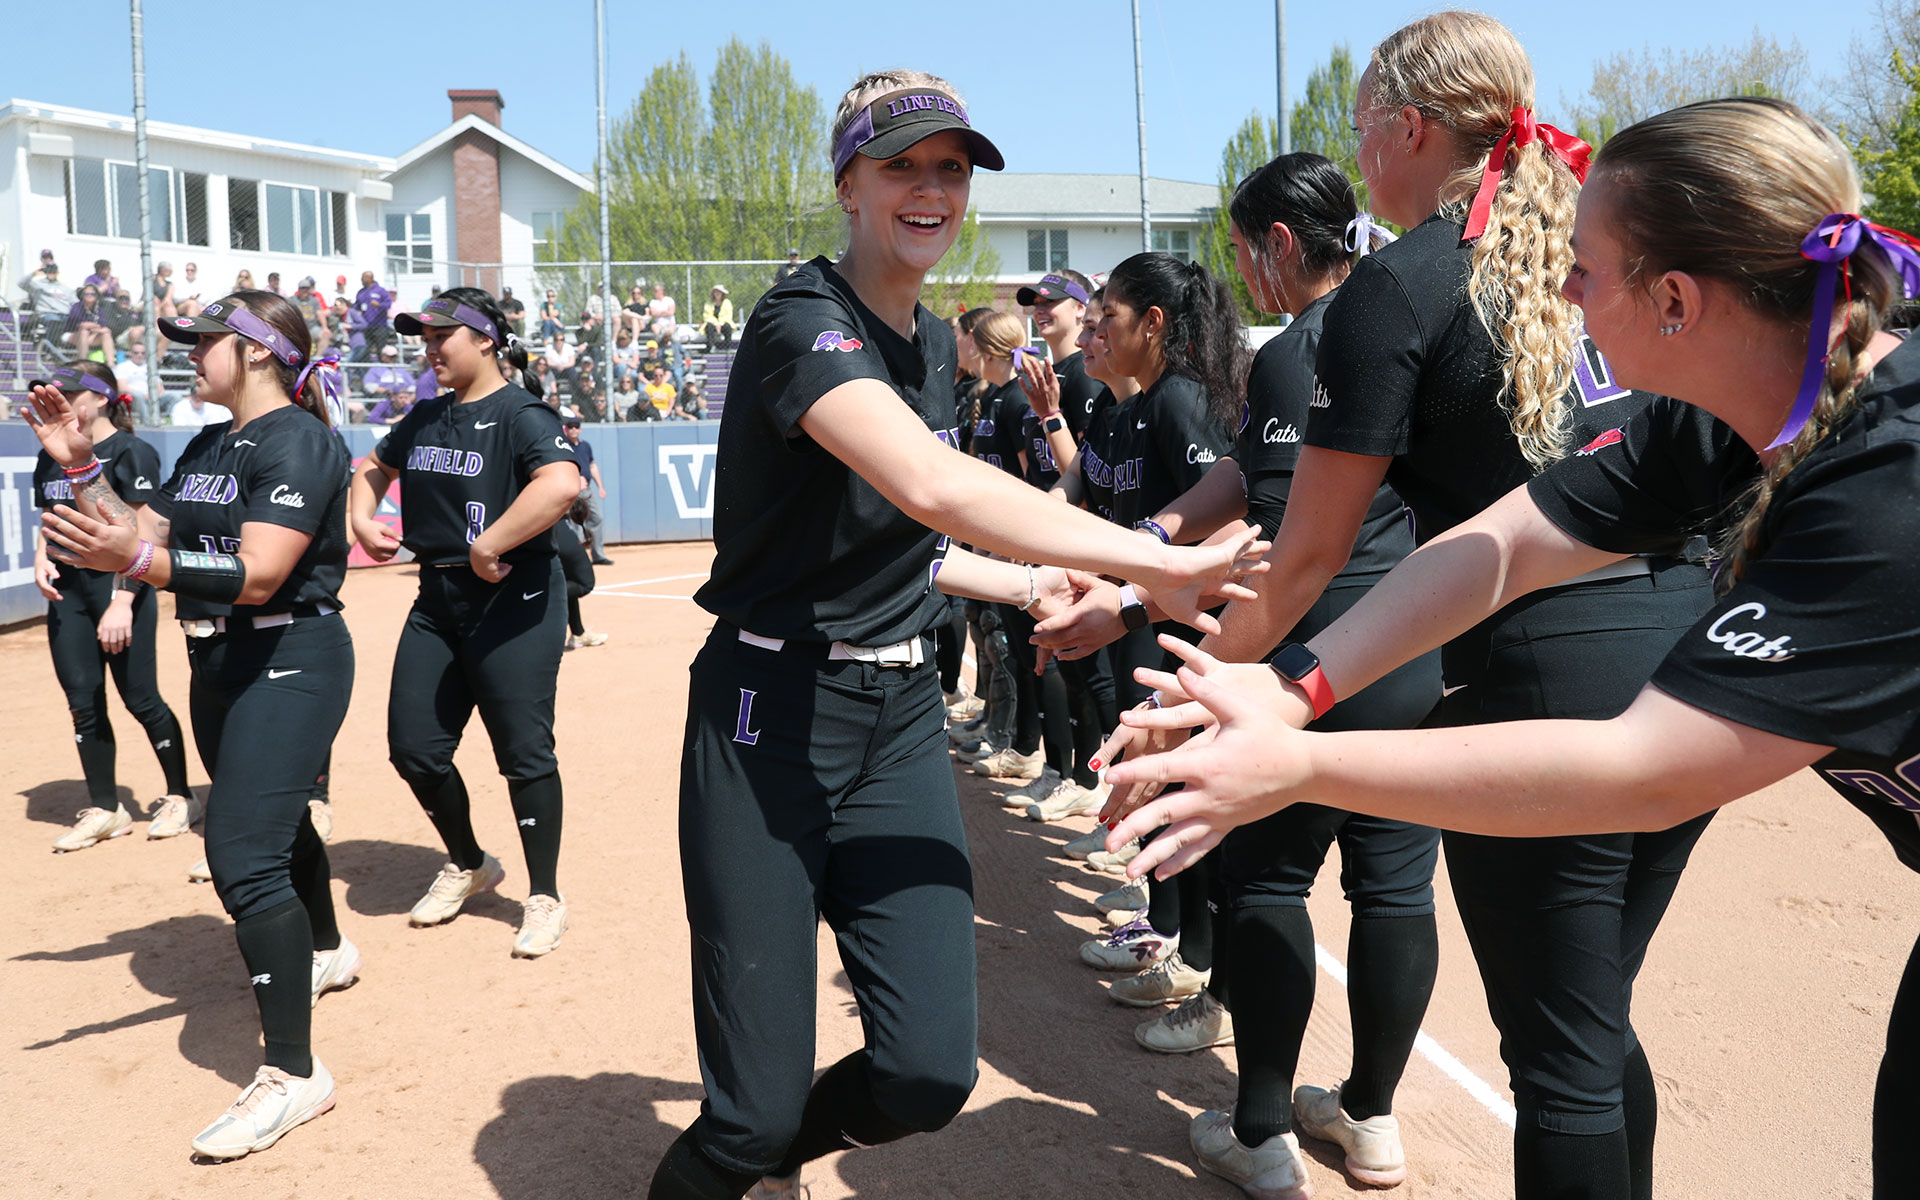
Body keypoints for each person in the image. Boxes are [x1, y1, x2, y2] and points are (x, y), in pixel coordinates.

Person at [1102, 94, 1920, 1200]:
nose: (1566, 293)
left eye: (1585, 268)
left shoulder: (1888, 489)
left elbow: (1644, 770)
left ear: (1676, 299)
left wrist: (1296, 766)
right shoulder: (1740, 406)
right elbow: (1509, 539)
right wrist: (1294, 690)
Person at [1083, 14, 1714, 1199]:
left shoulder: (1403, 283)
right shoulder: (1610, 234)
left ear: (1411, 128)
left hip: (1534, 666)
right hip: (1692, 645)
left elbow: (1308, 559)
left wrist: (1194, 693)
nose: (1360, 154)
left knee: (1561, 1052)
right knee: (1588, 1013)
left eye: (1366, 127)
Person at [650, 68, 1268, 1200]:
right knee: (746, 1110)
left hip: (893, 724)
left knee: (928, 1072)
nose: (932, 190)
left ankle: (765, 1151)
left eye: (952, 170)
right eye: (903, 167)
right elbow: (931, 485)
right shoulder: (801, 321)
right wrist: (1157, 564)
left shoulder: (933, 344)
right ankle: (740, 1152)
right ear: (848, 182)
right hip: (765, 718)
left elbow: (914, 543)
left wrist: (1038, 584)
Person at [29, 289, 357, 1158]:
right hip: (218, 662)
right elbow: (140, 528)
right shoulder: (214, 442)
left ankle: (294, 1074)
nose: (188, 352)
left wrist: (137, 559)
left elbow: (256, 574)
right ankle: (326, 946)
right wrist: (79, 466)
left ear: (255, 351)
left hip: (289, 656)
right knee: (274, 829)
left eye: (203, 340)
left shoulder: (300, 438)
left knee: (241, 854)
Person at [347, 288, 581, 959]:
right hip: (437, 599)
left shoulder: (519, 412)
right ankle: (471, 861)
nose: (429, 348)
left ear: (483, 338)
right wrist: (364, 519)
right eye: (422, 337)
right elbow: (372, 468)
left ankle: (544, 895)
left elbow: (562, 484)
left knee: (523, 753)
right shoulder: (425, 417)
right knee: (414, 749)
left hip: (515, 599)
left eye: (439, 335)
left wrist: (491, 542)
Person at [29, 361, 198, 852]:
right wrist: (42, 556)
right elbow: (50, 514)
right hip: (69, 592)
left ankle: (181, 796)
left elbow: (144, 534)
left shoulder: (130, 451)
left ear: (100, 398)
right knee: (82, 701)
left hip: (119, 591)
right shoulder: (52, 449)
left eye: (68, 392)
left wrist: (122, 602)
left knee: (141, 698)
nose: (55, 399)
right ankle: (106, 808)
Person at [561, 408, 613, 564]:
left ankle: (598, 555)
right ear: (566, 429)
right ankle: (577, 559)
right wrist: (576, 480)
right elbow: (561, 467)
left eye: (576, 427)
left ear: (580, 429)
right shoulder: (563, 445)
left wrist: (600, 487)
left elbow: (592, 466)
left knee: (597, 518)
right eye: (571, 427)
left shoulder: (585, 446)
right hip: (572, 490)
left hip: (587, 490)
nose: (574, 430)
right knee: (574, 524)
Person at [351, 271, 393, 362]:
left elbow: (388, 304)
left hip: (380, 326)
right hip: (366, 327)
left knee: (380, 350)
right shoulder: (361, 292)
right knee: (365, 351)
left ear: (370, 278)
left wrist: (379, 305)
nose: (361, 280)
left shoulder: (381, 291)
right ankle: (367, 372)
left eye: (363, 278)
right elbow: (356, 306)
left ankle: (383, 371)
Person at [65, 284, 111, 361]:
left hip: (91, 336)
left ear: (96, 296)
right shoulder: (76, 306)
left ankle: (111, 363)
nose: (90, 295)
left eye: (93, 294)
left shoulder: (99, 309)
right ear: (82, 296)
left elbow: (104, 326)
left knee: (106, 334)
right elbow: (81, 325)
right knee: (84, 331)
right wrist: (96, 327)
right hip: (73, 335)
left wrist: (93, 327)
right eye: (86, 294)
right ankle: (82, 360)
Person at [169, 385, 234, 428]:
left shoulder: (211, 406)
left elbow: (215, 424)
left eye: (200, 396)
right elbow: (179, 427)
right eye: (195, 395)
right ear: (190, 396)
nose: (198, 398)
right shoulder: (180, 407)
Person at [702, 284, 734, 350]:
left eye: (719, 292)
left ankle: (728, 347)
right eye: (715, 292)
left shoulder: (727, 302)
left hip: (724, 324)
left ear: (722, 294)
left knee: (727, 326)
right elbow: (707, 317)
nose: (717, 293)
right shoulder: (708, 304)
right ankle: (711, 347)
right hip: (713, 325)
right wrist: (716, 324)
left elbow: (728, 316)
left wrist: (720, 324)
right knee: (709, 326)